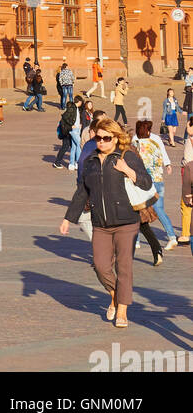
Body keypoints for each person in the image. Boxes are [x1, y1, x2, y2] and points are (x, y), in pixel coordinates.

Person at [60, 117, 154, 328]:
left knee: (124, 266)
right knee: (101, 266)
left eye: (106, 138)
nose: (101, 142)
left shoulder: (126, 155)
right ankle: (114, 294)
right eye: (98, 138)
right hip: (101, 223)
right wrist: (68, 218)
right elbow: (83, 191)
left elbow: (146, 182)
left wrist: (127, 171)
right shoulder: (91, 161)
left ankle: (122, 310)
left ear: (115, 137)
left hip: (126, 221)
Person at [133, 118, 178, 251]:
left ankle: (135, 240)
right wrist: (168, 164)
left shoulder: (137, 142)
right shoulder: (156, 141)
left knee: (137, 209)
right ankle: (172, 237)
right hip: (158, 180)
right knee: (159, 209)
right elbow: (162, 153)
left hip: (144, 182)